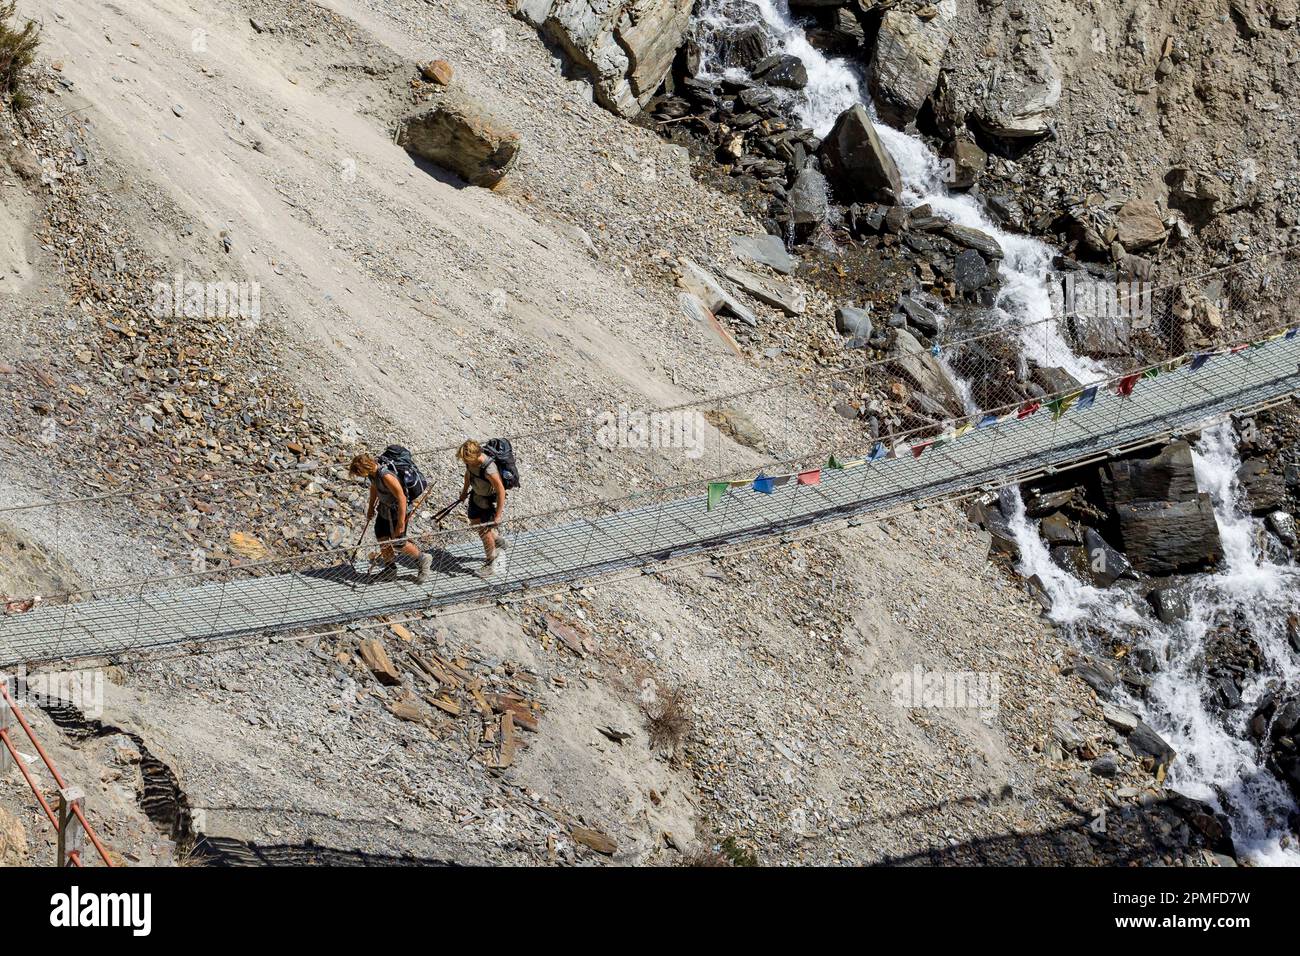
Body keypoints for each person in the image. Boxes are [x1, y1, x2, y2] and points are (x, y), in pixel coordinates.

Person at [349, 452, 434, 582]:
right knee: (382, 536)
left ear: (364, 468)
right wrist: (371, 507)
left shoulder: (385, 475)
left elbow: (402, 498)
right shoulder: (372, 474)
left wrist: (400, 523)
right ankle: (390, 568)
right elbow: (374, 488)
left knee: (398, 542)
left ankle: (423, 559)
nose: (358, 475)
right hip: (384, 508)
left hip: (397, 511)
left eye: (358, 472)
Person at [456, 440, 508, 577]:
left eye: (467, 460)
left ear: (475, 455)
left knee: (484, 532)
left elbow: (501, 491)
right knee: (474, 522)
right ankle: (497, 540)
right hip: (476, 496)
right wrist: (464, 492)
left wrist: (498, 515)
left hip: (488, 501)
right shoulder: (470, 462)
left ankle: (491, 562)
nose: (465, 463)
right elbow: (469, 474)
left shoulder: (489, 469)